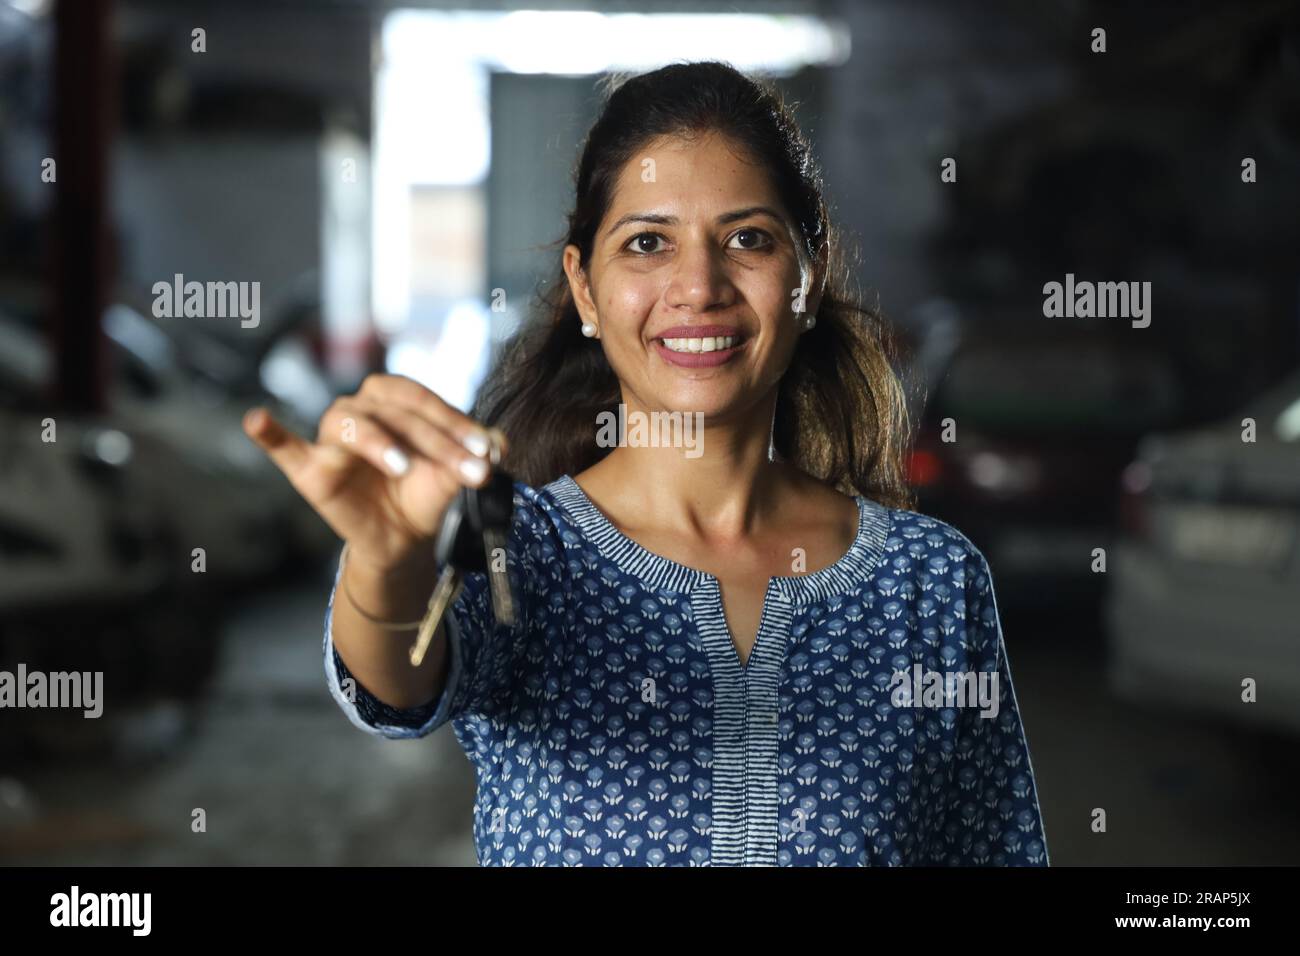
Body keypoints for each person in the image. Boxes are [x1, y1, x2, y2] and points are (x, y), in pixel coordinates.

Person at [243, 60, 1049, 867]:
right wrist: (386, 563)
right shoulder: (518, 552)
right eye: (647, 243)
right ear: (585, 290)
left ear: (808, 276)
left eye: (748, 239)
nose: (697, 286)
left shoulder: (931, 583)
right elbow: (396, 682)